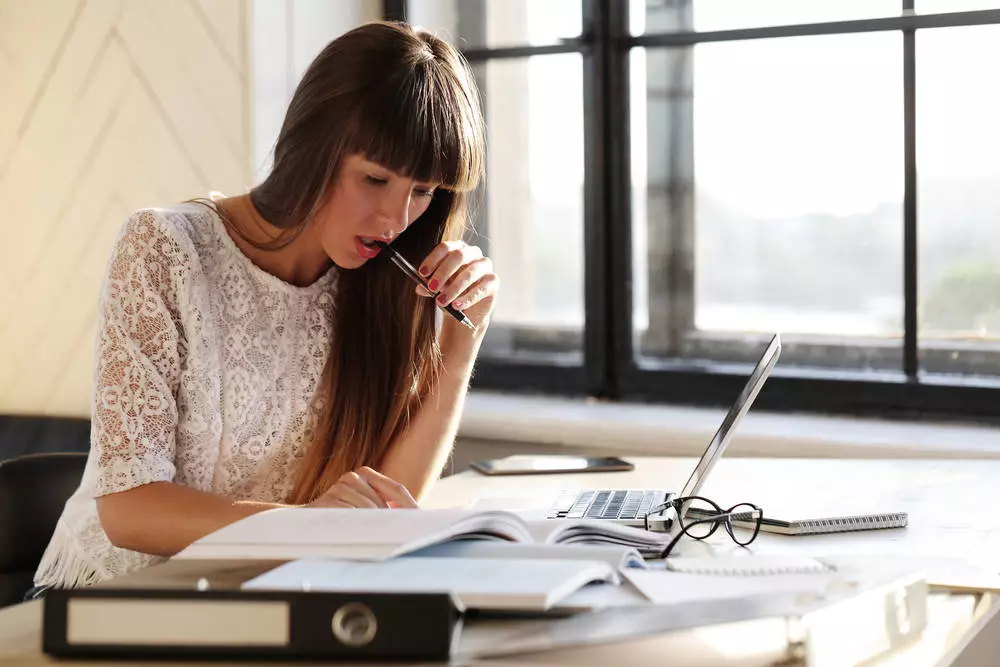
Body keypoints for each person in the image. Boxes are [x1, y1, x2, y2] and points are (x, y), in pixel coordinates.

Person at [32, 21, 494, 593]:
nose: (397, 220)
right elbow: (128, 509)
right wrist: (311, 528)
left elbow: (383, 515)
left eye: (422, 191)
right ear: (315, 148)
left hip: (260, 599)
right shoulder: (164, 248)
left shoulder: (385, 284)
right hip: (109, 601)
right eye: (375, 178)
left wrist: (457, 350)